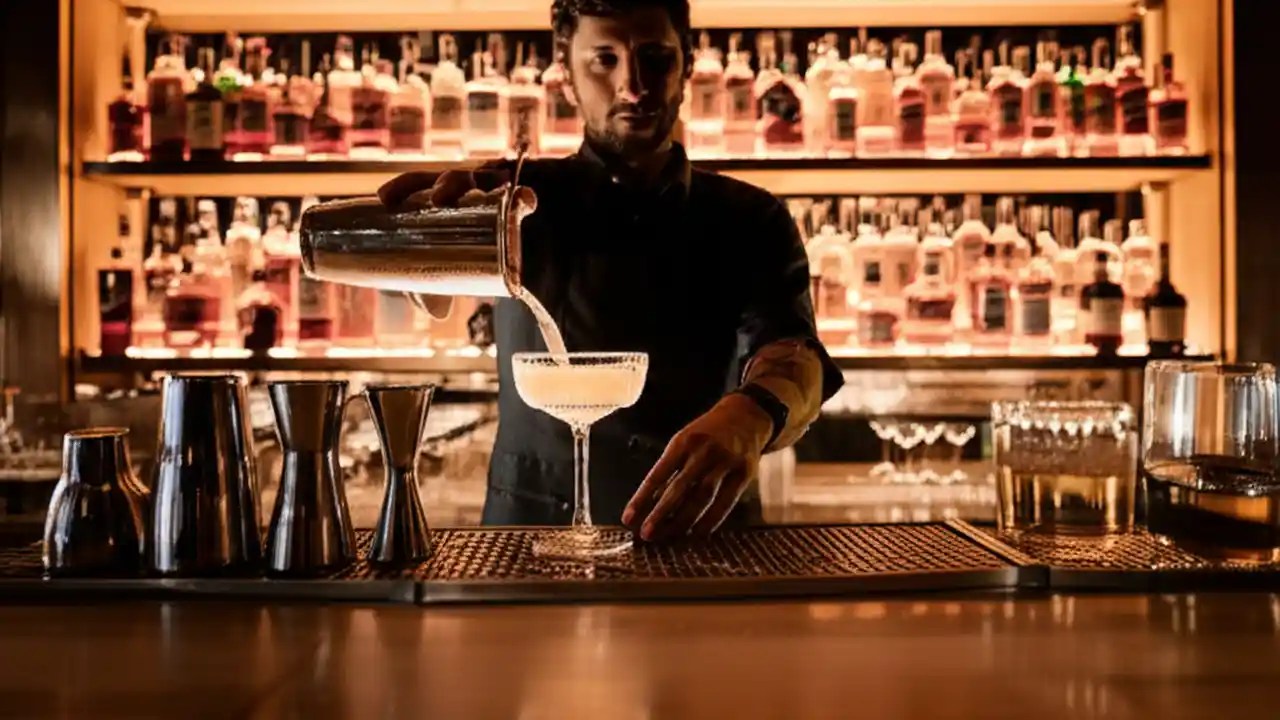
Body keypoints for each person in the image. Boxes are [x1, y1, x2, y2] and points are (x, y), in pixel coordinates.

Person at [378, 0, 843, 542]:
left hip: (699, 541)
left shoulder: (750, 217)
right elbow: (431, 297)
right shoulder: (512, 199)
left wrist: (753, 413)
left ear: (687, 66)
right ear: (568, 77)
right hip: (531, 541)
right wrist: (420, 241)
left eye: (655, 58)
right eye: (604, 59)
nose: (633, 85)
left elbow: (796, 357)